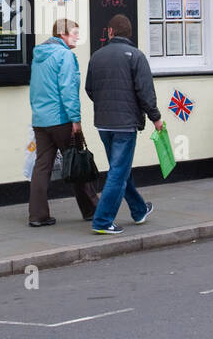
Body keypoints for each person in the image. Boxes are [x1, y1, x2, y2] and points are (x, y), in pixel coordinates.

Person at [85, 14, 164, 235]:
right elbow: (145, 93)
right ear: (129, 34)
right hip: (126, 125)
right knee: (118, 173)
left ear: (110, 32)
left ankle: (139, 210)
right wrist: (155, 118)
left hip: (103, 124)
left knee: (120, 170)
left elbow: (90, 89)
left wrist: (105, 106)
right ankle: (102, 221)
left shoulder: (96, 56)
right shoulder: (136, 56)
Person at [28, 18, 98, 226]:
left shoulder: (38, 55)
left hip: (41, 120)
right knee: (76, 162)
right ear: (62, 35)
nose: (77, 36)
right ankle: (92, 210)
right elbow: (68, 90)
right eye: (74, 33)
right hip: (61, 119)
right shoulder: (65, 56)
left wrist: (38, 113)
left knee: (41, 166)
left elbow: (34, 89)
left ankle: (37, 215)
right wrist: (75, 120)